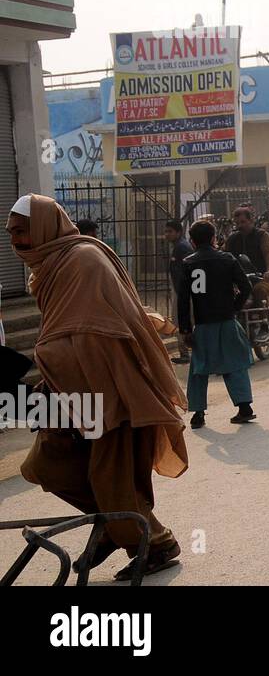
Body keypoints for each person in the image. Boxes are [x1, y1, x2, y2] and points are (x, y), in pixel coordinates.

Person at [7, 194, 187, 581]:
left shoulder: (83, 260)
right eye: (10, 234)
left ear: (43, 226)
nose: (16, 241)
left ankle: (155, 544)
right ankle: (115, 524)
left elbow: (104, 330)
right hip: (74, 391)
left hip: (114, 391)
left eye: (22, 231)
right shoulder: (50, 267)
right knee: (43, 466)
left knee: (111, 480)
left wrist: (50, 358)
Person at [176, 221, 256, 428]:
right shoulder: (227, 259)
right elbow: (246, 287)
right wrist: (234, 307)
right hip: (227, 320)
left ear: (192, 241)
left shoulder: (188, 263)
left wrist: (185, 329)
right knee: (235, 364)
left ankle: (198, 413)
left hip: (203, 324)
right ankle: (244, 408)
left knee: (199, 369)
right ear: (213, 239)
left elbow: (183, 299)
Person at [223, 206, 269, 306]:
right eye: (237, 223)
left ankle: (263, 318)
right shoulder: (232, 239)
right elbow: (225, 256)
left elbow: (268, 253)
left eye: (243, 222)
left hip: (261, 279)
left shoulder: (262, 235)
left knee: (259, 291)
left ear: (251, 220)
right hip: (240, 281)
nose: (240, 226)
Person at [163, 219, 194, 365]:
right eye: (166, 231)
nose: (166, 235)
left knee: (181, 320)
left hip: (183, 291)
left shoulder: (182, 247)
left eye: (170, 231)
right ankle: (186, 351)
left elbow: (184, 271)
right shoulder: (179, 246)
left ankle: (185, 353)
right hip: (181, 289)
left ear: (178, 232)